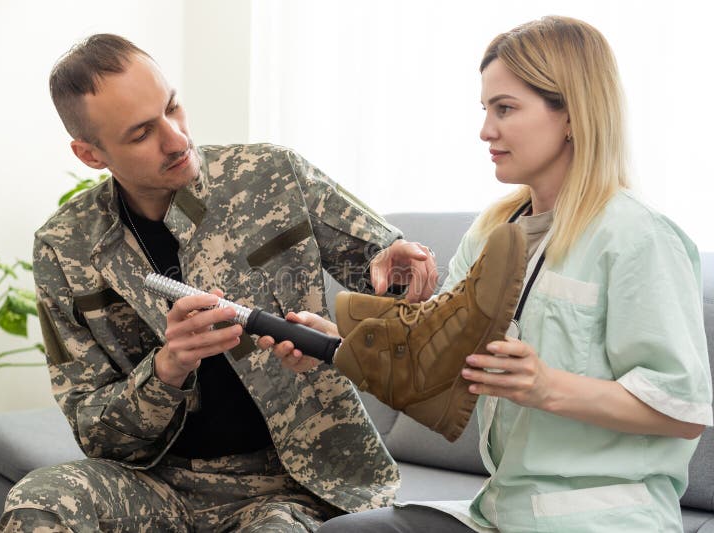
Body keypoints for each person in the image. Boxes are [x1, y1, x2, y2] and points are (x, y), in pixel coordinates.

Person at [0, 33, 442, 532]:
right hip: (157, 484)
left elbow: (407, 309)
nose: (176, 139)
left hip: (294, 485)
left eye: (173, 107)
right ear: (90, 154)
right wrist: (167, 367)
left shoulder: (274, 174)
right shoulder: (65, 246)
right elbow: (96, 433)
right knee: (39, 504)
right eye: (142, 133)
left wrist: (407, 271)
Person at [300, 15, 710, 532]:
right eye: (486, 109)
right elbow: (432, 357)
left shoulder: (639, 236)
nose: (485, 130)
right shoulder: (495, 228)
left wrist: (547, 386)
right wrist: (335, 344)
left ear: (572, 114)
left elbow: (682, 410)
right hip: (497, 513)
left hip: (604, 518)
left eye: (506, 109)